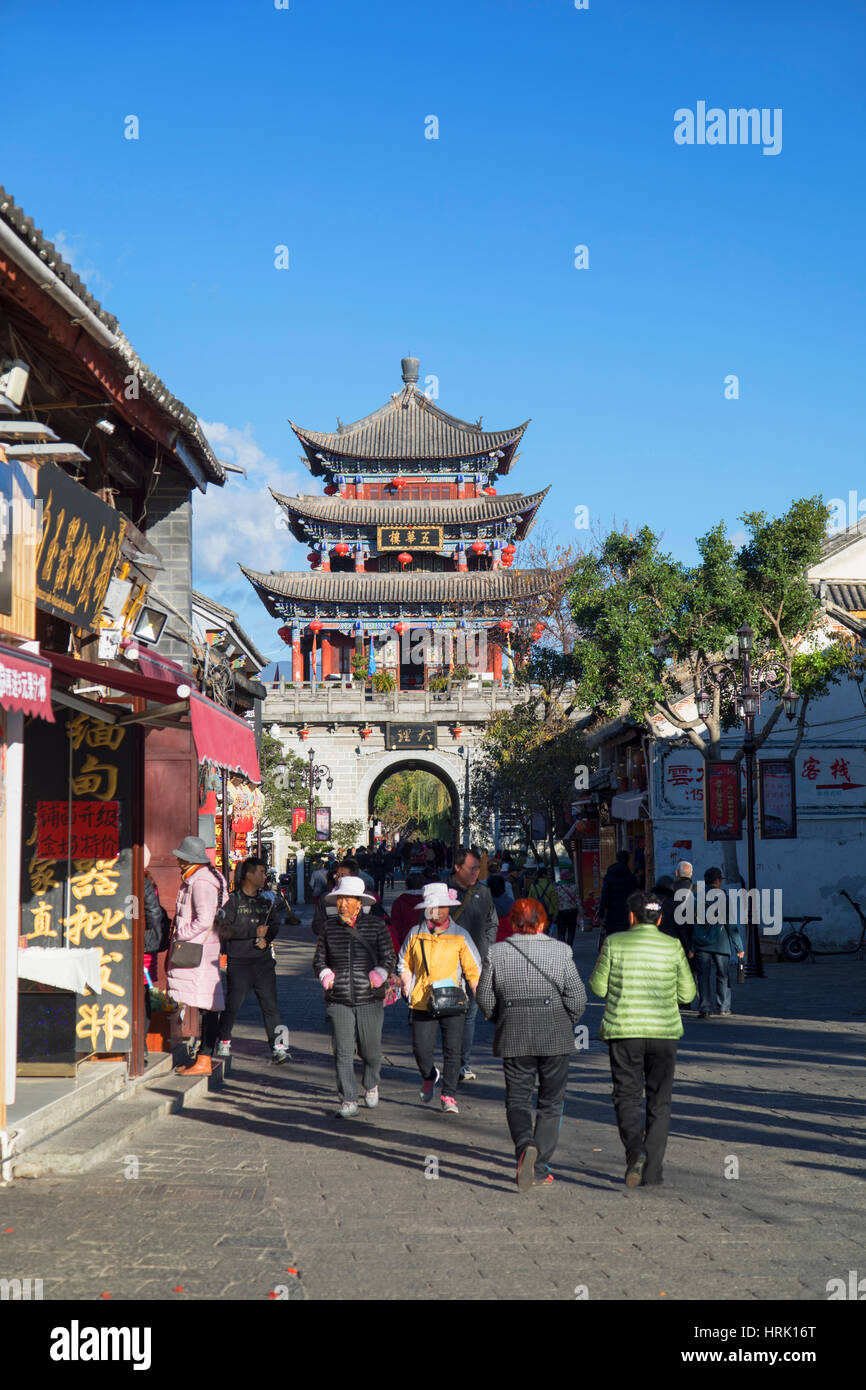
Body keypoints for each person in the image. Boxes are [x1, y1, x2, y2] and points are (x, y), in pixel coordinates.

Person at [588, 889, 696, 1187]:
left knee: (626, 1095)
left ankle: (635, 1151)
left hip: (624, 1032)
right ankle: (652, 1170)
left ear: (632, 916)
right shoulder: (673, 945)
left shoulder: (614, 943)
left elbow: (597, 988)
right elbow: (688, 994)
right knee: (660, 1102)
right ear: (659, 918)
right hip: (664, 1033)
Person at [477, 898, 586, 1188]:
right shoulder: (561, 951)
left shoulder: (496, 952)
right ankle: (538, 1166)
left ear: (512, 923)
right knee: (551, 1102)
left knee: (517, 1098)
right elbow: (578, 998)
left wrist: (501, 1018)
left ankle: (525, 1145)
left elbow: (485, 999)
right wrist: (567, 1020)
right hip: (554, 1034)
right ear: (543, 922)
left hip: (514, 1033)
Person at [312, 875, 395, 1117]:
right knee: (343, 1051)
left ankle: (371, 1081)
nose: (343, 903)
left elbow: (388, 956)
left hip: (369, 997)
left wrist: (379, 973)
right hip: (338, 998)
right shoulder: (329, 927)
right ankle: (348, 1098)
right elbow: (318, 960)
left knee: (370, 1049)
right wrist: (325, 974)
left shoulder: (376, 926)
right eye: (340, 898)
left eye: (348, 899)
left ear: (359, 902)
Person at [399, 883, 482, 1114]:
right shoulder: (415, 934)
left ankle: (449, 1095)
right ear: (427, 910)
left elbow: (474, 969)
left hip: (452, 1000)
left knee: (452, 1050)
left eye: (444, 907)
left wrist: (479, 993)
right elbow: (403, 962)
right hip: (422, 1000)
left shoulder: (460, 935)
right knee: (420, 1050)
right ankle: (429, 1075)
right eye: (435, 907)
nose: (439, 911)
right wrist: (406, 980)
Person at [167, 836, 229, 1076]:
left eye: (180, 857)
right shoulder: (204, 877)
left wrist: (181, 935)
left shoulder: (201, 882)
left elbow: (204, 919)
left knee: (208, 1007)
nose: (177, 860)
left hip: (199, 951)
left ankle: (204, 1058)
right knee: (206, 1005)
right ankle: (202, 1058)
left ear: (188, 859)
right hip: (206, 949)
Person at [216, 857, 288, 1064]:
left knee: (271, 1006)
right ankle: (224, 1042)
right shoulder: (233, 901)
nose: (265, 876)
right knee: (233, 1004)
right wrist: (251, 932)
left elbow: (274, 925)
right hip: (239, 961)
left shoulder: (266, 901)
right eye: (261, 872)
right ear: (249, 875)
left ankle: (278, 1047)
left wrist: (267, 939)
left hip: (263, 962)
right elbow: (223, 928)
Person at [446, 846, 500, 1082]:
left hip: (475, 962)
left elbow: (492, 923)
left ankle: (461, 1063)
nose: (476, 872)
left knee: (470, 1013)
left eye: (478, 868)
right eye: (472, 868)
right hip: (446, 962)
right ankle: (450, 1059)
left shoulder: (484, 892)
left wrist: (485, 949)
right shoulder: (441, 891)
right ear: (457, 868)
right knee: (446, 1012)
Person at [693, 866, 744, 1018]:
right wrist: (739, 947)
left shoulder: (697, 897)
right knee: (722, 975)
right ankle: (723, 1006)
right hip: (721, 943)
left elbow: (692, 924)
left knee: (703, 975)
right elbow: (731, 924)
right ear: (717, 881)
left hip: (702, 943)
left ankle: (705, 1007)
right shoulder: (723, 898)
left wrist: (691, 945)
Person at [599, 850, 638, 936]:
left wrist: (601, 911)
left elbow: (604, 895)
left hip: (612, 914)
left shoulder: (609, 876)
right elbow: (635, 896)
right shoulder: (631, 878)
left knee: (612, 937)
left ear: (617, 859)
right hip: (626, 914)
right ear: (627, 860)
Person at [388, 871, 425, 952]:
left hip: (405, 943)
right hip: (425, 942)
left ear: (406, 886)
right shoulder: (427, 902)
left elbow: (395, 926)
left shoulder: (399, 902)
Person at [528, 865, 558, 935]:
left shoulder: (533, 886)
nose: (549, 876)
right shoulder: (550, 886)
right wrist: (556, 914)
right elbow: (555, 902)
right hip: (548, 913)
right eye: (548, 874)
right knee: (547, 932)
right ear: (544, 875)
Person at [555, 867, 581, 948]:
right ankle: (569, 947)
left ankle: (563, 947)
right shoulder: (574, 887)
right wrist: (581, 912)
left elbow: (555, 901)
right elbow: (577, 900)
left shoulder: (556, 888)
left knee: (561, 931)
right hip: (572, 911)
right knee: (571, 931)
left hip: (561, 911)